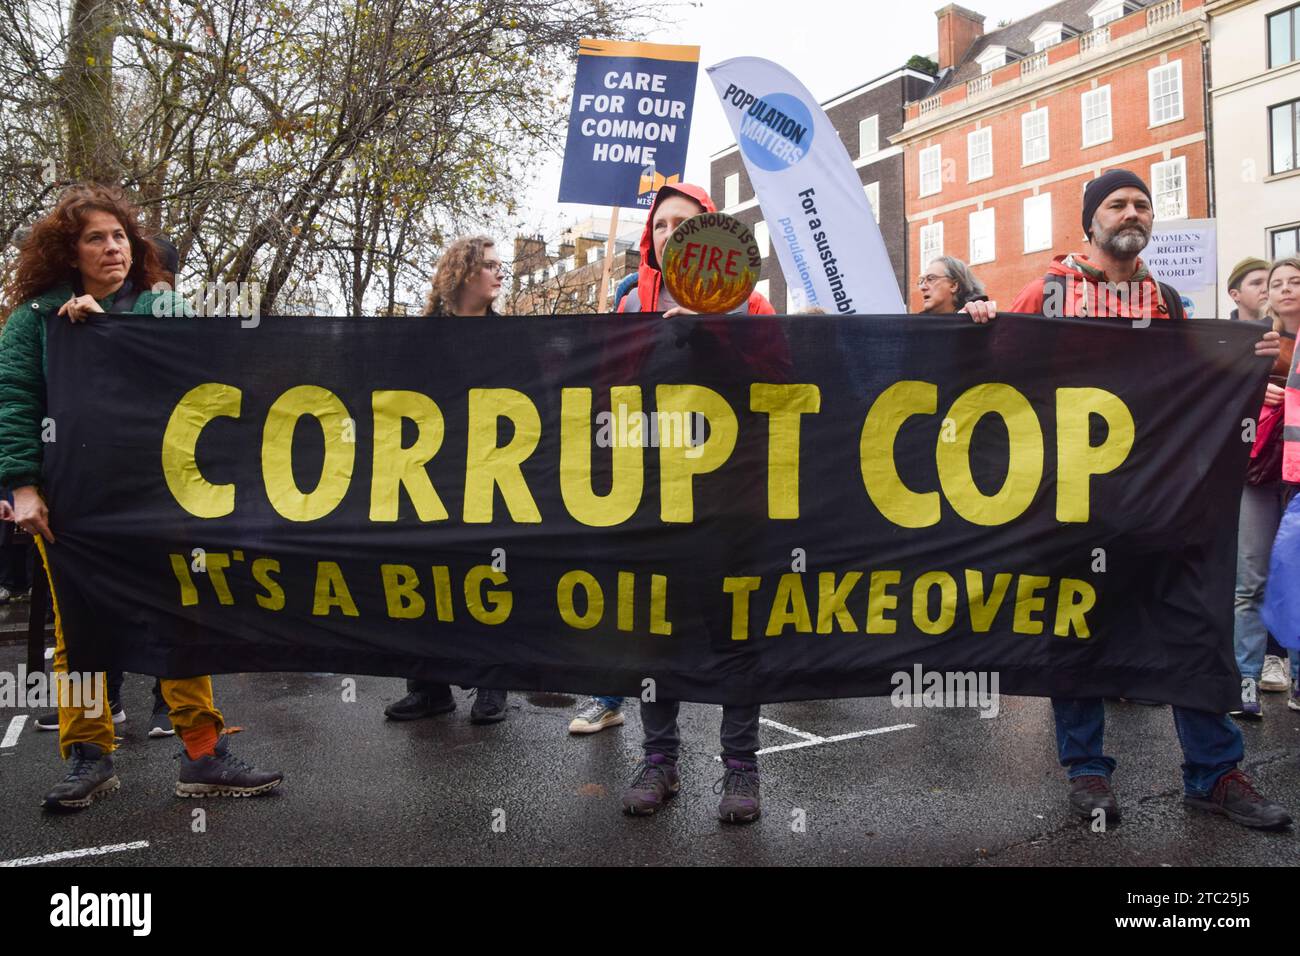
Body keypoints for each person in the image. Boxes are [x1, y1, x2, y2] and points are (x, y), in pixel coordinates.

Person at [963, 169, 1291, 830]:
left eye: (1141, 203)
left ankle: (1215, 772)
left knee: (1194, 633)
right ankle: (1087, 771)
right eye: (1116, 204)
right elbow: (988, 374)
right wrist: (976, 323)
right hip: (1072, 504)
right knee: (1077, 634)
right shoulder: (1046, 291)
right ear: (1091, 221)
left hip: (1162, 503)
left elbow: (1200, 384)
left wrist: (1251, 359)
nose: (1131, 212)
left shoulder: (1167, 300)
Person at [0, 184, 283, 810]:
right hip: (72, 504)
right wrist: (22, 488)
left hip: (163, 494)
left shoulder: (166, 311)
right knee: (79, 630)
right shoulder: (34, 322)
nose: (112, 248)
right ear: (68, 252)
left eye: (120, 236)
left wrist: (113, 337)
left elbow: (205, 389)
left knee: (181, 614)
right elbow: (16, 403)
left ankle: (204, 755)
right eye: (95, 238)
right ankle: (88, 757)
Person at [601, 182, 779, 823]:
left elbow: (783, 378)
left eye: (684, 223)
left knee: (735, 631)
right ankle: (659, 761)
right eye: (659, 224)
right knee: (655, 637)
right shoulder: (630, 302)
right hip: (652, 496)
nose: (669, 233)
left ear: (710, 233)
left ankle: (740, 771)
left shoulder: (752, 304)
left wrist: (715, 331)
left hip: (732, 498)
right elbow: (605, 390)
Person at [382, 235, 509, 725]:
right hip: (429, 473)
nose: (499, 275)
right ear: (462, 273)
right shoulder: (420, 337)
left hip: (493, 473)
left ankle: (494, 682)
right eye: (490, 266)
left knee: (491, 579)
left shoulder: (511, 337)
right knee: (429, 577)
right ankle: (429, 687)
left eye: (502, 267)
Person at [1231, 256, 1299, 718]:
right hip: (1258, 473)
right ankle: (1245, 683)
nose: (1287, 289)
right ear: (1267, 295)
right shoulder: (1255, 344)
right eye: (1278, 283)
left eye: (1297, 281)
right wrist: (1254, 392)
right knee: (1249, 581)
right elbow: (1222, 397)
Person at [917, 256, 987, 313]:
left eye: (931, 279)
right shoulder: (915, 327)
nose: (922, 288)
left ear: (954, 285)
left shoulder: (978, 320)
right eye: (922, 281)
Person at [1227, 257, 1270, 323]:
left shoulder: (1288, 329)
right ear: (1235, 295)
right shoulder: (1222, 332)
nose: (1267, 289)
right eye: (1257, 283)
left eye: (1272, 283)